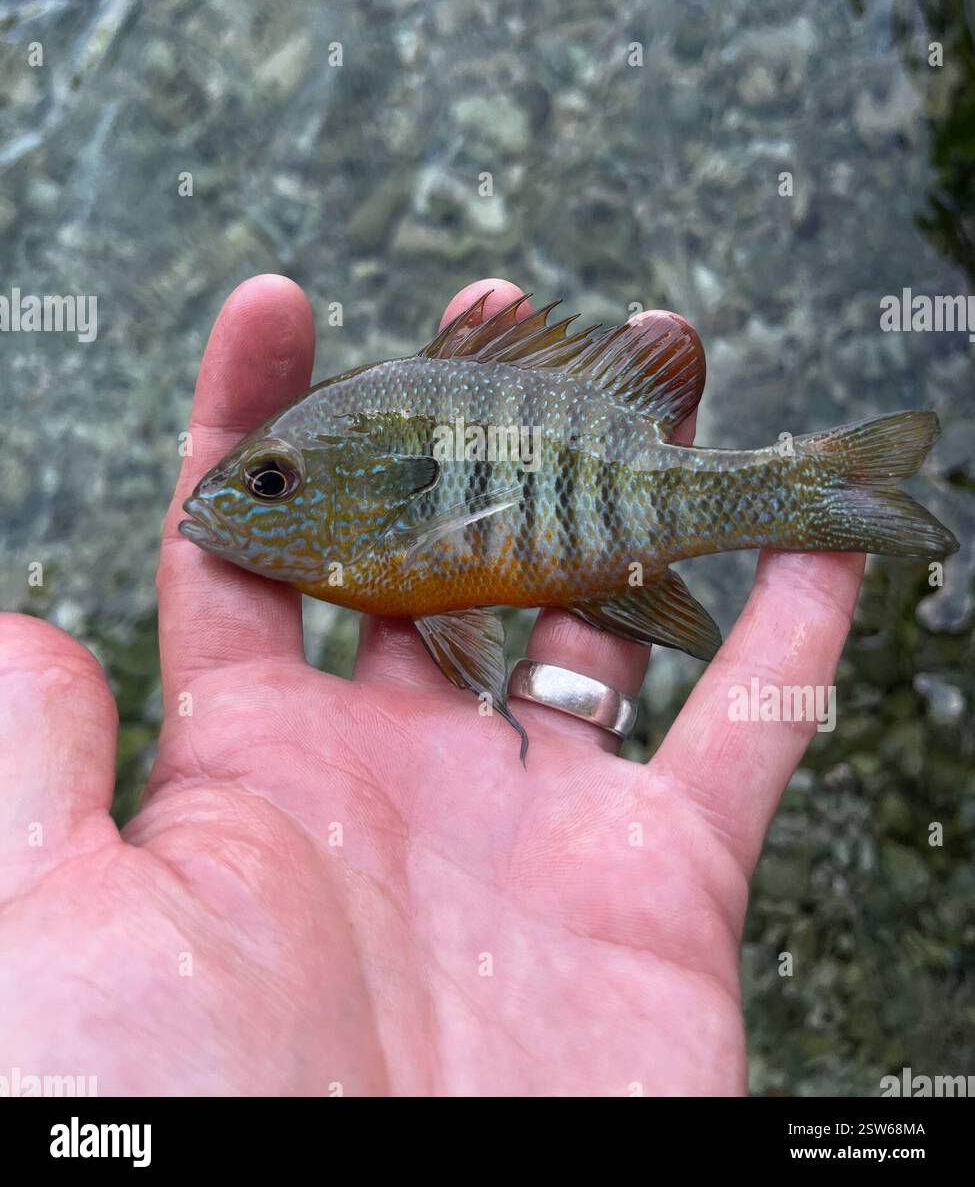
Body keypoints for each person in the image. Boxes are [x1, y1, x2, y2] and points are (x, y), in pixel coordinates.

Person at [0, 275, 863, 1096]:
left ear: (372, 492)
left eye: (270, 484)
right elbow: (447, 605)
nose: (225, 508)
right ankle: (821, 491)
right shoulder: (376, 544)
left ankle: (810, 491)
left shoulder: (381, 544)